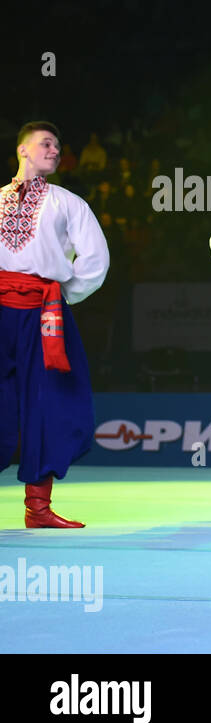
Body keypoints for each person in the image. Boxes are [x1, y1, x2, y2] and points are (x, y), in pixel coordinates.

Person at [1, 121, 110, 528]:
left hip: (43, 312)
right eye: (46, 143)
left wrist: (61, 295)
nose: (54, 150)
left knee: (50, 398)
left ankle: (38, 508)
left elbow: (95, 259)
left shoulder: (68, 203)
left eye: (58, 146)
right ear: (22, 150)